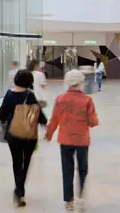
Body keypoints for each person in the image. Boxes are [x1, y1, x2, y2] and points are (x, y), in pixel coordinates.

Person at [46, 69, 99, 211]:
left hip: (65, 140)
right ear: (81, 83)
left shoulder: (60, 99)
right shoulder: (87, 100)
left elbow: (54, 119)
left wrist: (49, 134)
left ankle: (69, 201)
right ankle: (80, 195)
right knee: (82, 168)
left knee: (67, 169)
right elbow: (93, 122)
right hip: (82, 140)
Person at [0, 69, 48, 208]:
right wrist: (45, 125)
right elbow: (40, 115)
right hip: (29, 136)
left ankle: (19, 189)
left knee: (16, 161)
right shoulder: (30, 95)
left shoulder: (9, 94)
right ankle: (20, 189)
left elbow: (1, 114)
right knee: (26, 162)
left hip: (13, 135)